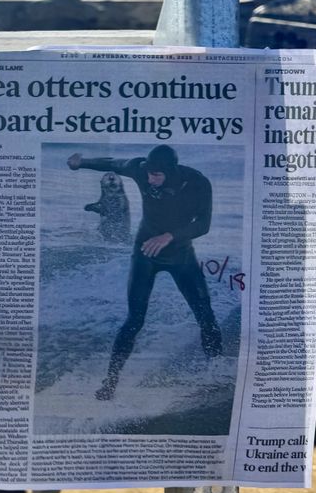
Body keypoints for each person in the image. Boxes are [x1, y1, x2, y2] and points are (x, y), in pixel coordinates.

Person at [67, 145, 223, 400]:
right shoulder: (140, 169)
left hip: (181, 256)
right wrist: (81, 162)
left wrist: (171, 236)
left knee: (205, 314)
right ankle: (110, 381)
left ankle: (216, 374)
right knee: (134, 319)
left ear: (171, 171)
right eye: (149, 174)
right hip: (145, 256)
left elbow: (203, 224)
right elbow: (113, 163)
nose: (151, 179)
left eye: (157, 175)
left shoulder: (197, 182)